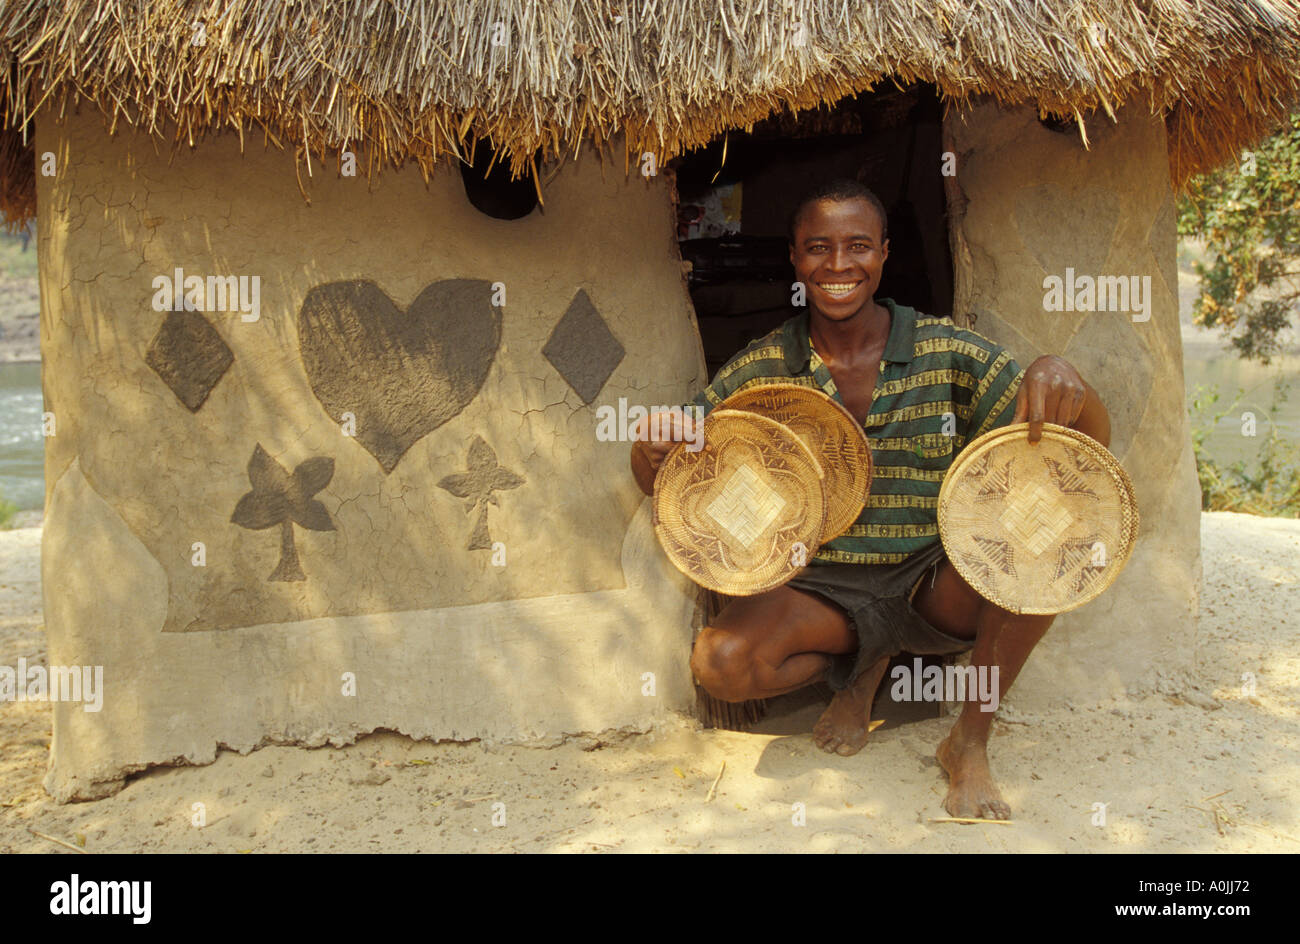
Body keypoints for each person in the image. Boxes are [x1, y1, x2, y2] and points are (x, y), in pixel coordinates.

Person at [630, 179, 1111, 819]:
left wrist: (1063, 374)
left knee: (1041, 555)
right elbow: (669, 478)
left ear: (884, 253)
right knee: (722, 666)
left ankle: (968, 742)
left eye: (858, 246)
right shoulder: (763, 368)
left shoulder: (948, 352)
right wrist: (649, 450)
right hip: (825, 589)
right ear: (795, 259)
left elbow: (1083, 447)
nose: (838, 265)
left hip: (935, 583)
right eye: (817, 248)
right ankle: (863, 661)